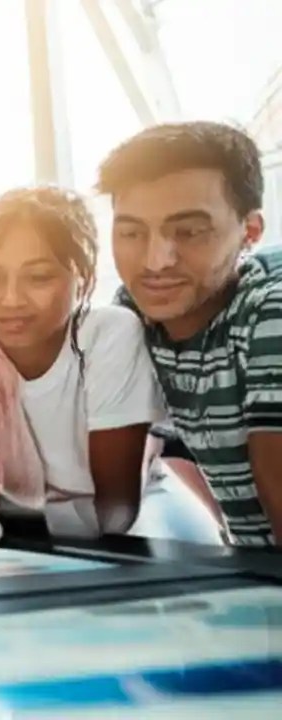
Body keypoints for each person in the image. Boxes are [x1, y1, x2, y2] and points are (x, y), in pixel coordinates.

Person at [0, 187, 220, 578]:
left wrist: (11, 529)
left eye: (37, 277)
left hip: (143, 524)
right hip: (30, 541)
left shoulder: (109, 333)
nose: (10, 299)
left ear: (82, 277)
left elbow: (117, 509)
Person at [102, 121, 282, 547]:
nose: (155, 261)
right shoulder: (133, 314)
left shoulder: (270, 311)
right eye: (131, 233)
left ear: (250, 231)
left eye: (189, 232)